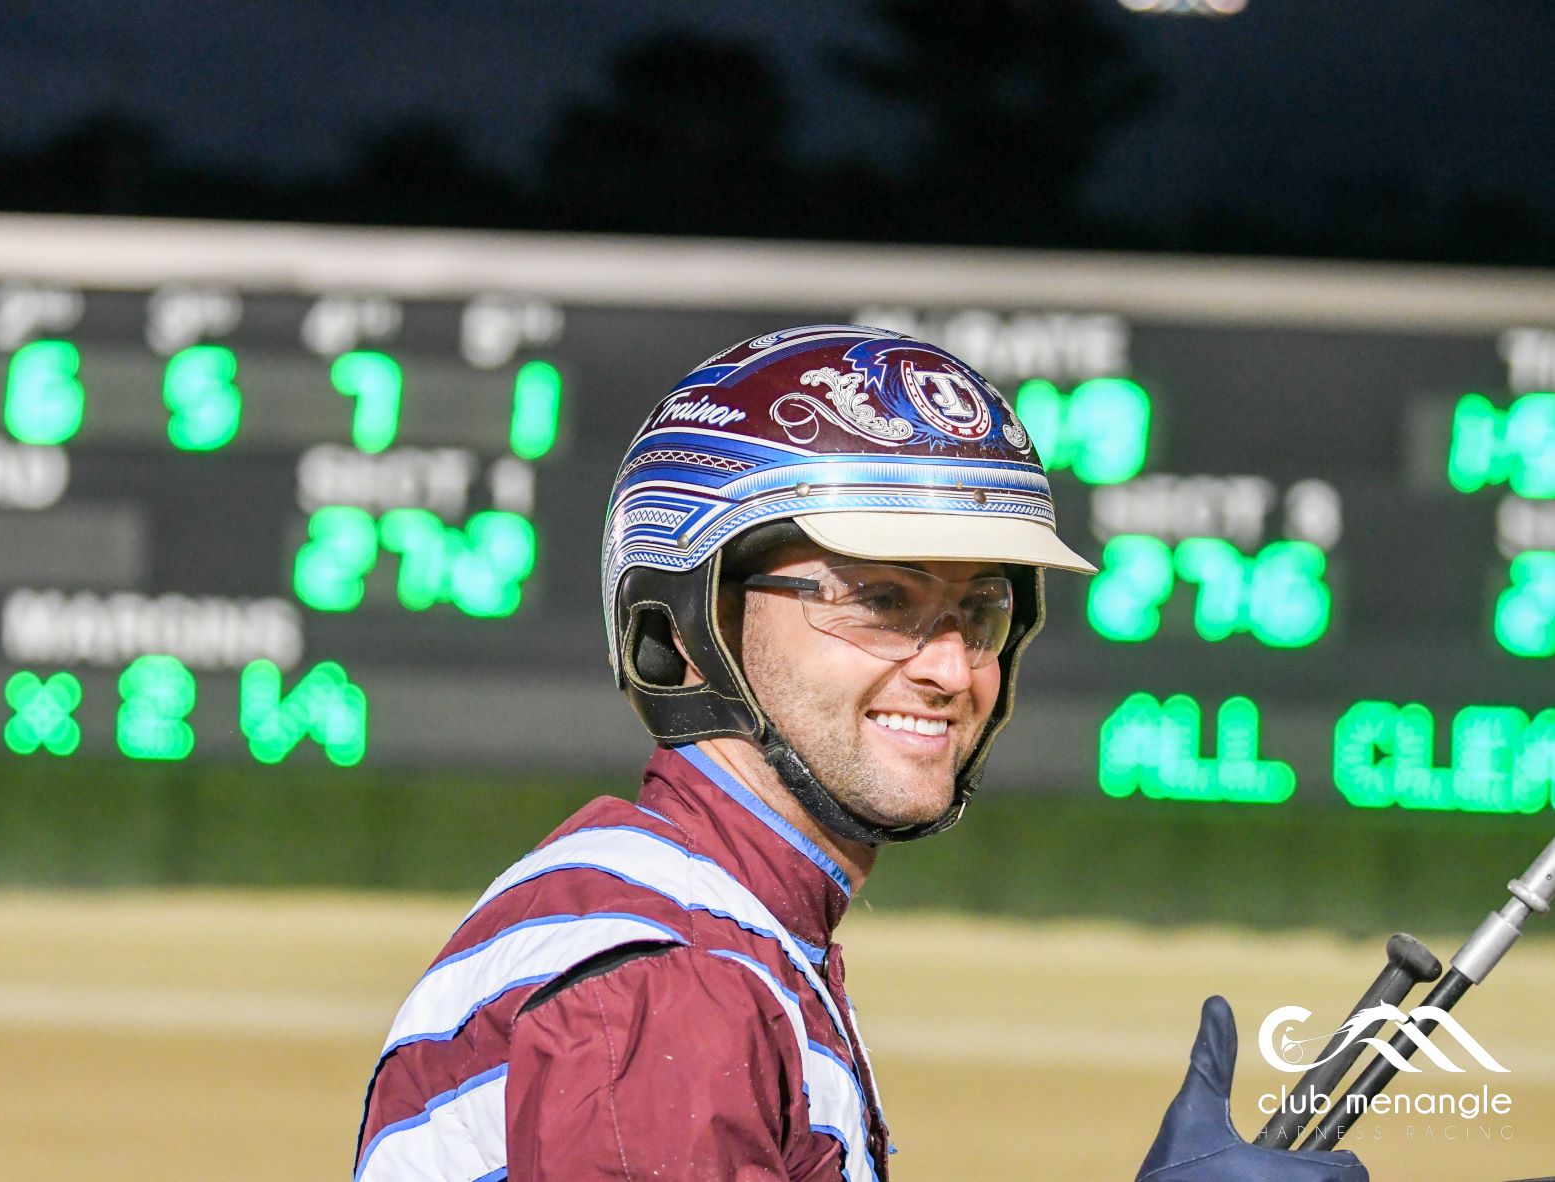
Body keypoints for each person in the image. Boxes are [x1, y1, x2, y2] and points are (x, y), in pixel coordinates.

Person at [354, 325, 1368, 1181]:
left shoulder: (715, 932)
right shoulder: (677, 987)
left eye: (977, 610)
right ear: (691, 620)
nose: (950, 670)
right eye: (880, 601)